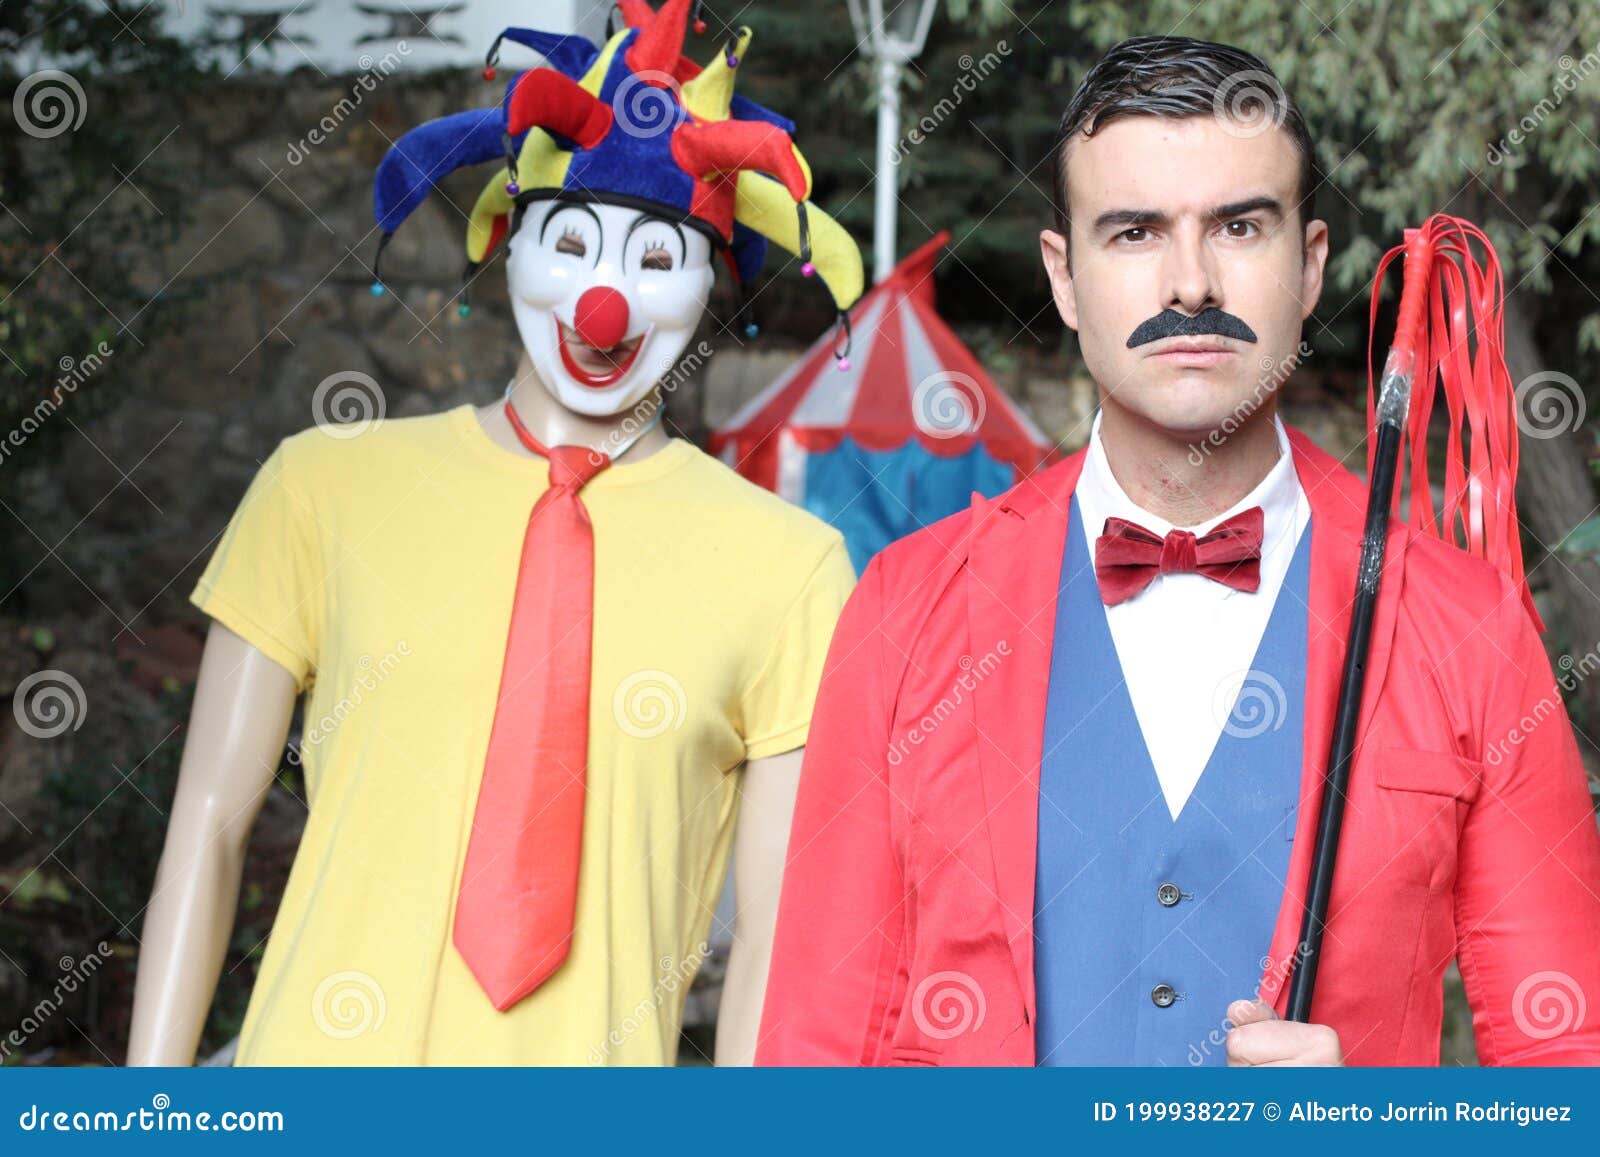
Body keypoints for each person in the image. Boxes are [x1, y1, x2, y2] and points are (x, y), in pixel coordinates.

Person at [756, 35, 1600, 1067]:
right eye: (1135, 232)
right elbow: (816, 1053)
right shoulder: (905, 605)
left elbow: (1570, 1074)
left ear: (1310, 265)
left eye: (1239, 226)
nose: (1190, 283)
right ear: (1062, 278)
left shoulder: (1465, 625)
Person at [127, 0, 864, 1066]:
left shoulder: (790, 569)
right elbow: (206, 819)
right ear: (508, 245)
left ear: (714, 288)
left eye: (658, 261)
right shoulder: (324, 487)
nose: (605, 303)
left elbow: (775, 935)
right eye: (570, 243)